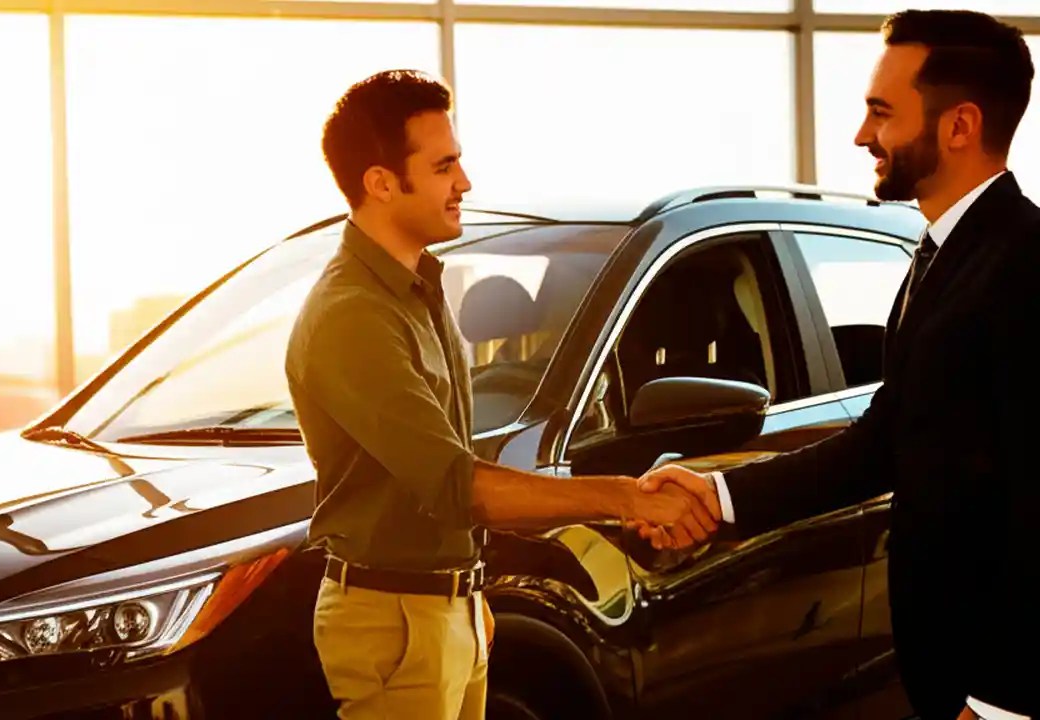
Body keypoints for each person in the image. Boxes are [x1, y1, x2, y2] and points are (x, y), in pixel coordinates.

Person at [636, 10, 1037, 720]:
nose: (861, 136)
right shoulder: (943, 255)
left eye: (881, 112)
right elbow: (881, 444)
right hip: (942, 678)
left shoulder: (1027, 263)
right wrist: (718, 494)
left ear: (960, 126)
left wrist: (1003, 698)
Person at [285, 69, 717, 720]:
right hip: (396, 623)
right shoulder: (353, 316)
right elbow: (459, 485)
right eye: (444, 166)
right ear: (380, 182)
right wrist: (625, 496)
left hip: (440, 609)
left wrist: (465, 592)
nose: (465, 183)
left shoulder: (419, 292)